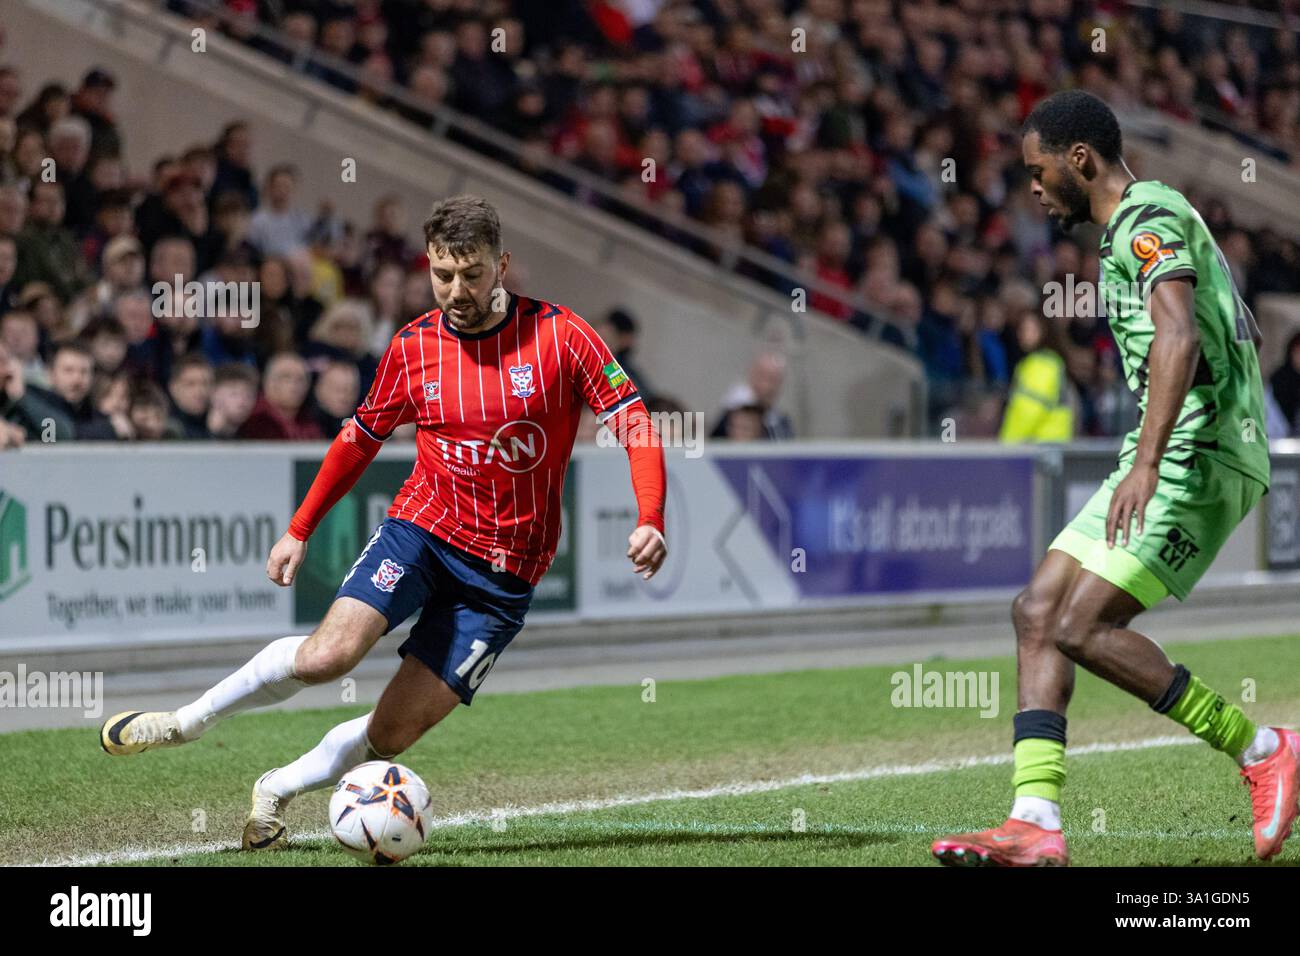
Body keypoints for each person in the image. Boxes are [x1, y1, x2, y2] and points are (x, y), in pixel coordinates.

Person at [99, 195, 668, 853]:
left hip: (503, 579)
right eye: (442, 274)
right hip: (422, 531)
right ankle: (185, 721)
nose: (456, 290)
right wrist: (300, 528)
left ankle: (276, 788)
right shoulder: (413, 347)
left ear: (502, 265)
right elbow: (359, 440)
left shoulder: (563, 337)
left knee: (390, 736)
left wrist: (648, 516)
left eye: (473, 274)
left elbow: (633, 422)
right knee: (327, 656)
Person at [933, 90, 1291, 868]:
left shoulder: (1146, 217)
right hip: (1168, 441)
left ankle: (1265, 748)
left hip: (1201, 453)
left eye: (1038, 170)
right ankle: (1034, 821)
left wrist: (1150, 462)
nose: (1032, 186)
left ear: (1080, 159)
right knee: (1037, 611)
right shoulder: (1138, 226)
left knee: (1081, 626)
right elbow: (1217, 325)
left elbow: (1180, 334)